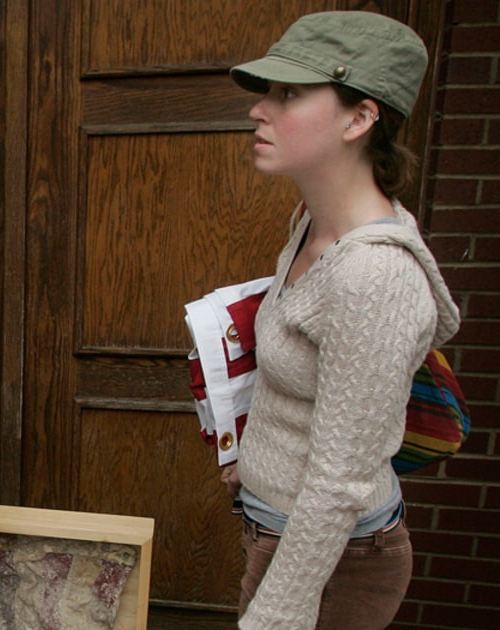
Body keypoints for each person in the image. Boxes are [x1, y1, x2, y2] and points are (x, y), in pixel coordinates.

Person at [220, 12, 460, 629]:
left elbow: (340, 481)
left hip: (331, 563)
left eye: (289, 94)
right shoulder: (311, 224)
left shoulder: (374, 276)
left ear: (359, 118)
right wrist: (253, 458)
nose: (259, 110)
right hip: (279, 531)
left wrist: (274, 616)